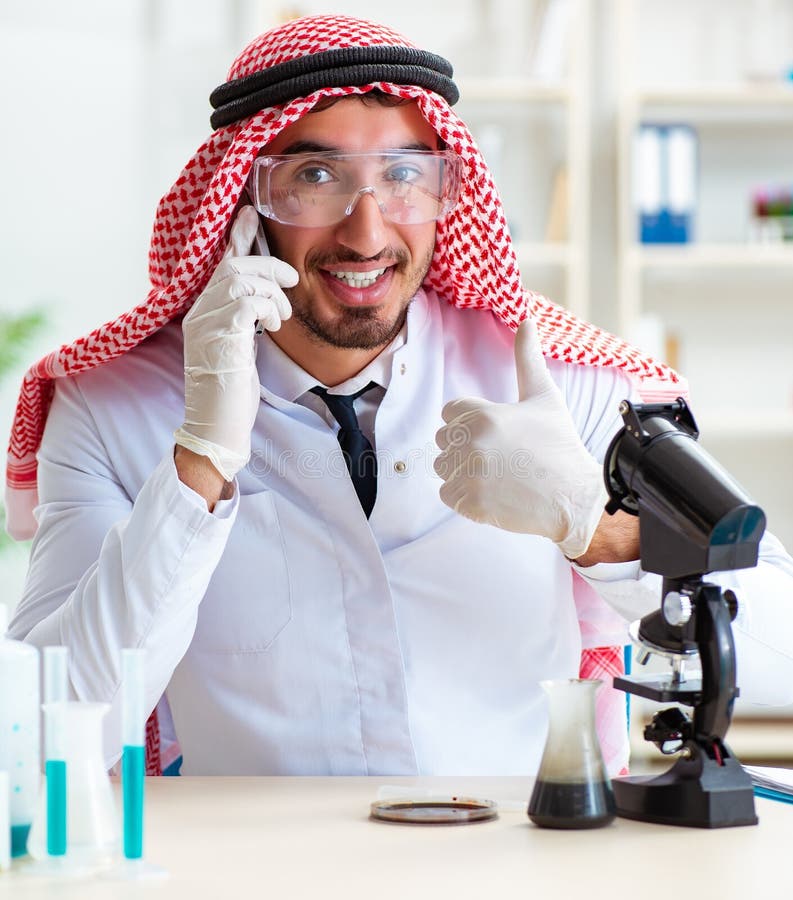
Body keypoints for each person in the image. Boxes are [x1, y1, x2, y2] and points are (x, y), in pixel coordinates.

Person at [6, 15, 793, 777]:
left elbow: (780, 666)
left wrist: (593, 527)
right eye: (315, 177)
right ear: (242, 203)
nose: (366, 233)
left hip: (517, 863)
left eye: (404, 176)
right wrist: (196, 469)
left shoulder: (566, 384)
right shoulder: (114, 407)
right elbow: (46, 737)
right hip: (249, 867)